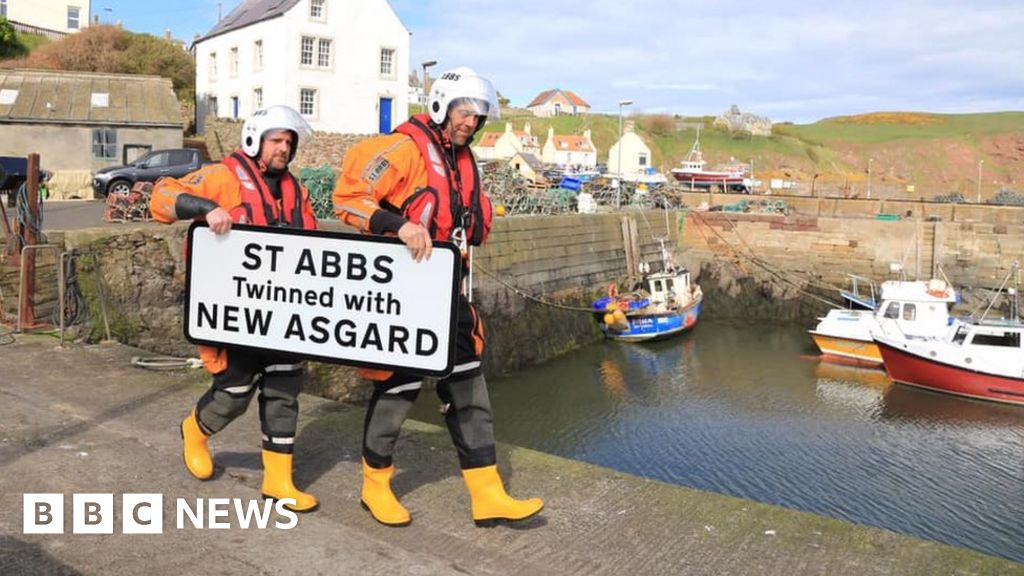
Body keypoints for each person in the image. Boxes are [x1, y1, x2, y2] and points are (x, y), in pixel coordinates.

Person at [333, 67, 543, 527]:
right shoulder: (402, 150)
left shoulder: (466, 162)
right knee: (398, 389)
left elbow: (472, 222)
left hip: (452, 295)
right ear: (441, 105)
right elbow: (348, 197)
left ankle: (487, 494)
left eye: (478, 115)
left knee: (469, 388)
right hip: (403, 296)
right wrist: (399, 225)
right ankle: (375, 485)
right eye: (464, 111)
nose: (470, 121)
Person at [149, 105, 319, 513]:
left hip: (283, 314)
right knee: (235, 393)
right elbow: (162, 196)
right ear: (255, 139)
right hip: (234, 316)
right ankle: (195, 430)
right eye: (277, 140)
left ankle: (278, 481)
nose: (284, 148)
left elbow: (314, 245)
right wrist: (205, 208)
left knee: (284, 390)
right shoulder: (223, 176)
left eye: (289, 142)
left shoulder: (298, 191)